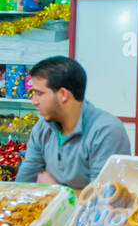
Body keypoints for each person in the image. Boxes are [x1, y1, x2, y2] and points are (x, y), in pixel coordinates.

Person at [16, 57, 131, 189]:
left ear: (63, 94)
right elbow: (23, 184)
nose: (34, 101)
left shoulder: (106, 131)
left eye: (39, 93)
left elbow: (104, 198)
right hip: (50, 208)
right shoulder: (43, 128)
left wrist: (55, 189)